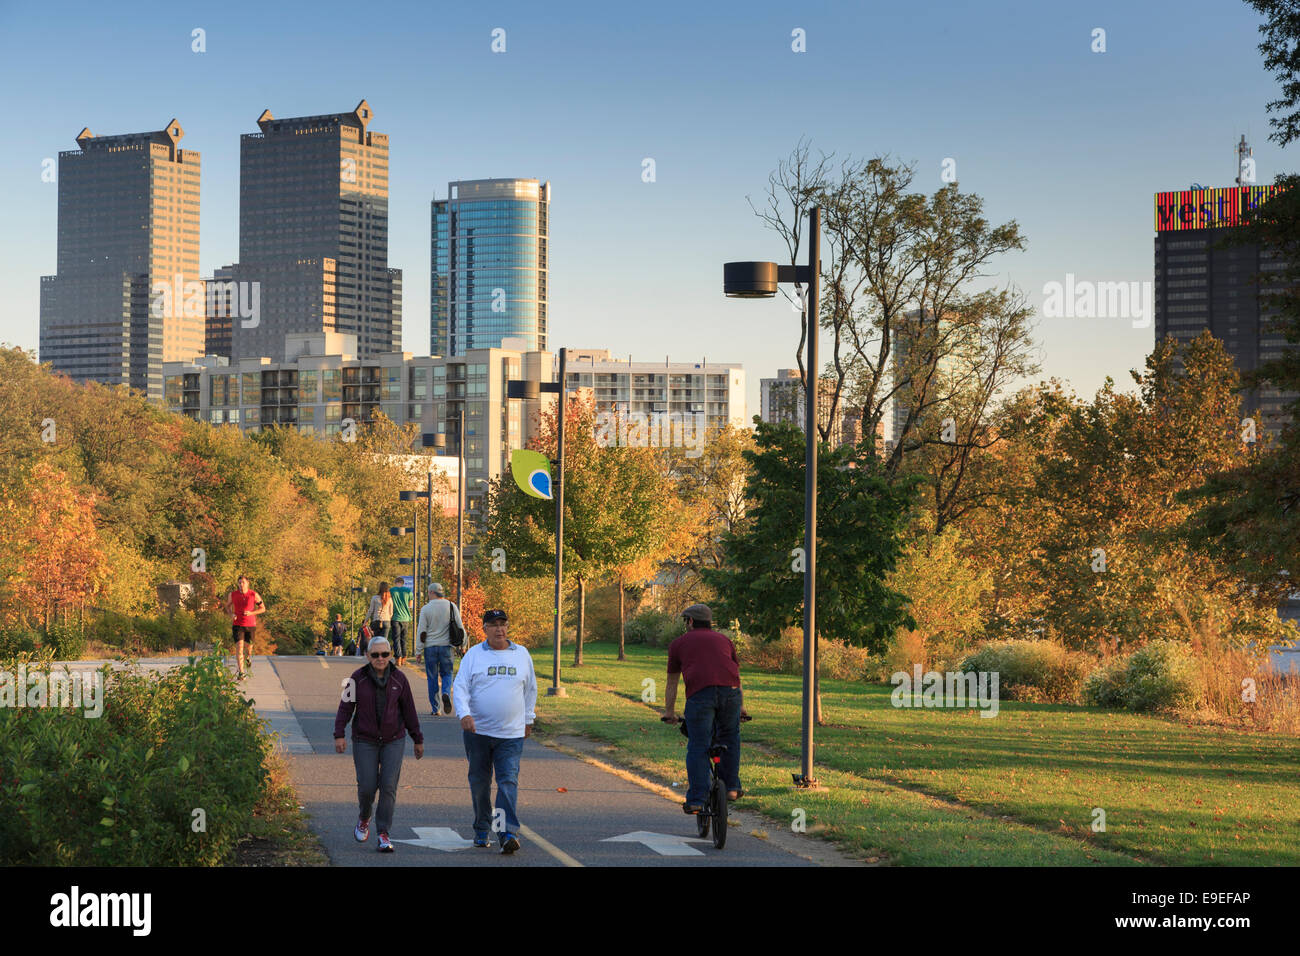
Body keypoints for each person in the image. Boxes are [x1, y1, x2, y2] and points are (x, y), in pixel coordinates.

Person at [454, 609, 536, 854]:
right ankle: (481, 828)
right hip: (478, 732)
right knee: (480, 783)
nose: (499, 629)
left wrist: (528, 719)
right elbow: (460, 687)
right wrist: (464, 714)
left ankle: (506, 833)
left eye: (503, 624)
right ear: (485, 629)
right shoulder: (474, 655)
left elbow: (530, 689)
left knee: (507, 782)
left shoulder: (522, 654)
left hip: (510, 734)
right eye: (494, 625)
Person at [333, 635, 424, 854]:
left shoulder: (400, 679)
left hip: (394, 740)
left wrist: (417, 738)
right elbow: (345, 708)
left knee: (388, 786)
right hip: (365, 740)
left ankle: (383, 832)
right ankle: (364, 816)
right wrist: (339, 734)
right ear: (367, 656)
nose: (381, 658)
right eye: (375, 655)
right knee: (366, 786)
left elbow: (409, 711)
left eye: (385, 654)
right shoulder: (356, 678)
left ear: (391, 655)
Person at [662, 604, 744, 814]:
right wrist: (741, 707)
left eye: (685, 621)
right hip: (731, 693)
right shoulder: (725, 640)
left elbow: (672, 682)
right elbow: (734, 673)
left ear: (690, 621)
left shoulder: (678, 644)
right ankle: (732, 788)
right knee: (730, 738)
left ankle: (697, 800)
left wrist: (669, 712)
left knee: (699, 745)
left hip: (701, 695)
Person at [415, 583, 464, 716]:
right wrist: (463, 645)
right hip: (447, 647)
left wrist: (418, 651)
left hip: (430, 648)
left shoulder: (426, 609)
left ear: (431, 592)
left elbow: (422, 631)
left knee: (432, 677)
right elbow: (460, 627)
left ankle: (436, 708)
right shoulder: (451, 606)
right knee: (447, 674)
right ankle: (446, 693)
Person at [225, 575, 265, 681]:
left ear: (248, 583)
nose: (241, 585)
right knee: (239, 649)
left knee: (249, 647)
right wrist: (231, 614)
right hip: (237, 625)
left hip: (250, 625)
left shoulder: (254, 594)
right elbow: (227, 606)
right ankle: (241, 672)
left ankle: (248, 657)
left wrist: (252, 613)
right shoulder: (232, 595)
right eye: (239, 583)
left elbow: (263, 608)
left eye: (243, 582)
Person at [389, 578, 413, 668]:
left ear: (395, 583)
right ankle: (404, 658)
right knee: (404, 639)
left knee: (396, 639)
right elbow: (410, 605)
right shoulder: (408, 591)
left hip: (395, 617)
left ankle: (398, 658)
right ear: (403, 583)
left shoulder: (391, 590)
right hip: (406, 618)